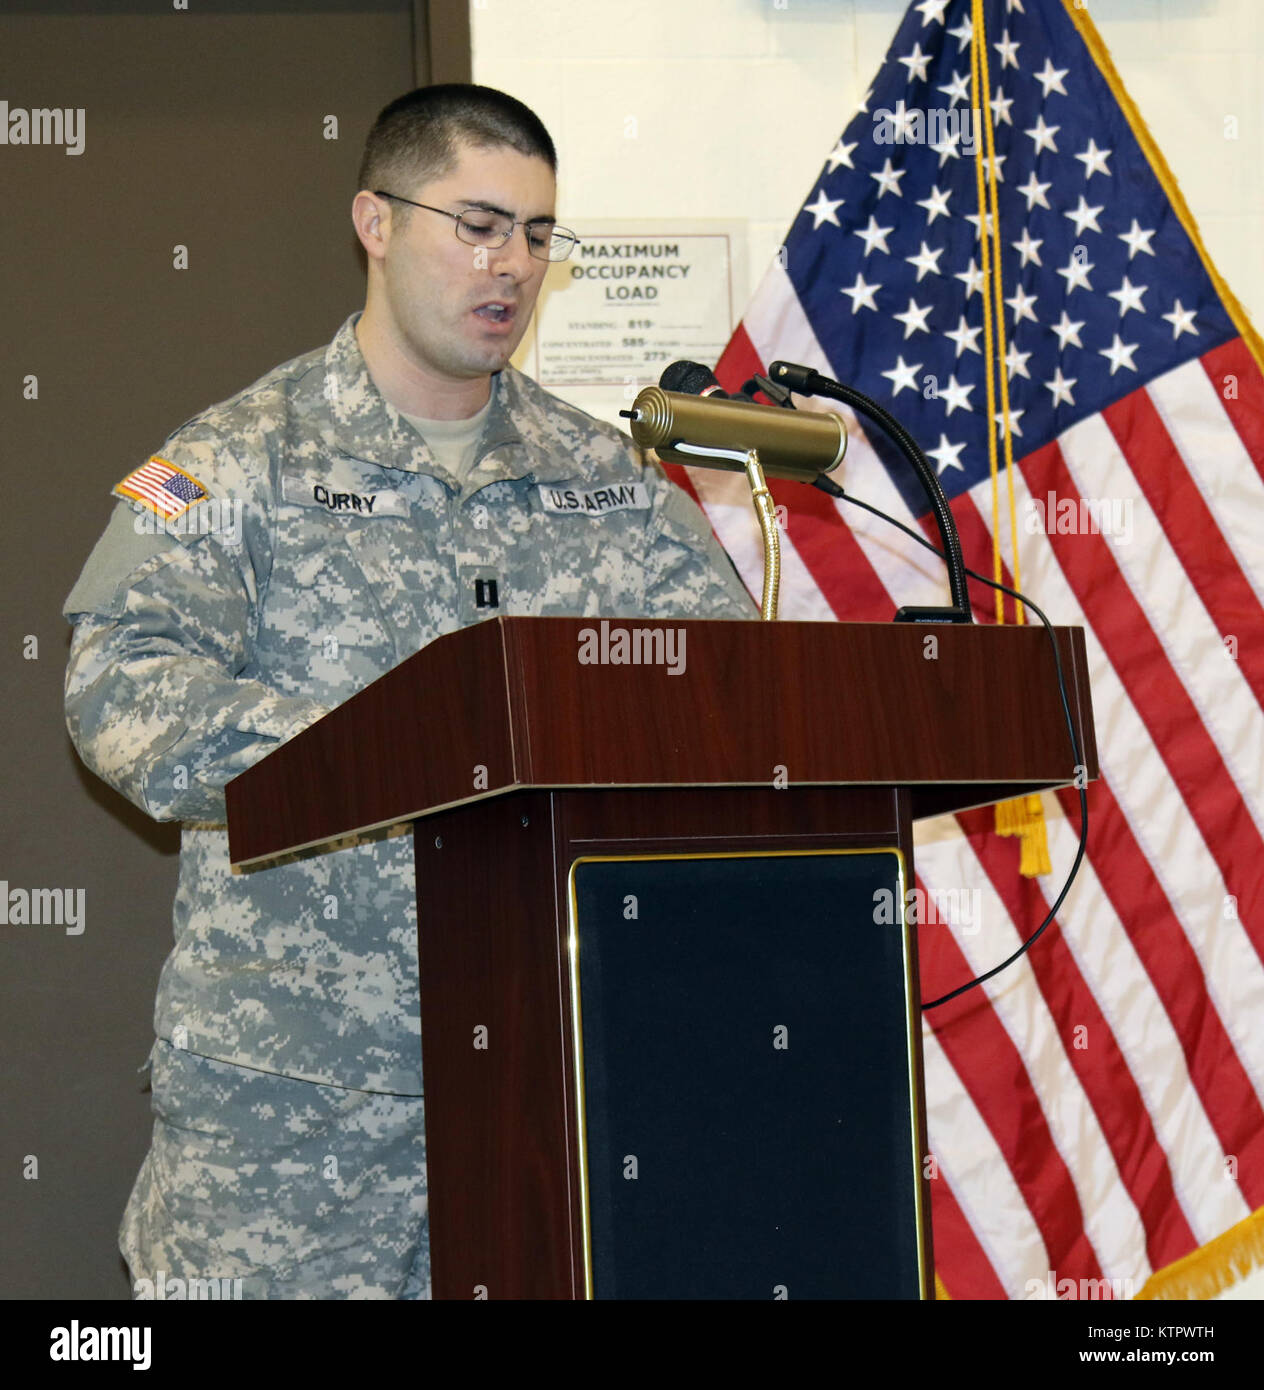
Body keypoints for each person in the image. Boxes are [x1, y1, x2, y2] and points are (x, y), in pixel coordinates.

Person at [62, 83, 754, 1300]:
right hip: (295, 1117)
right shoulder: (229, 461)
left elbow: (732, 714)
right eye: (477, 225)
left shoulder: (612, 484)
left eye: (539, 235)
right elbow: (118, 685)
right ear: (374, 222)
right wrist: (391, 751)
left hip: (559, 1088)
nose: (514, 266)